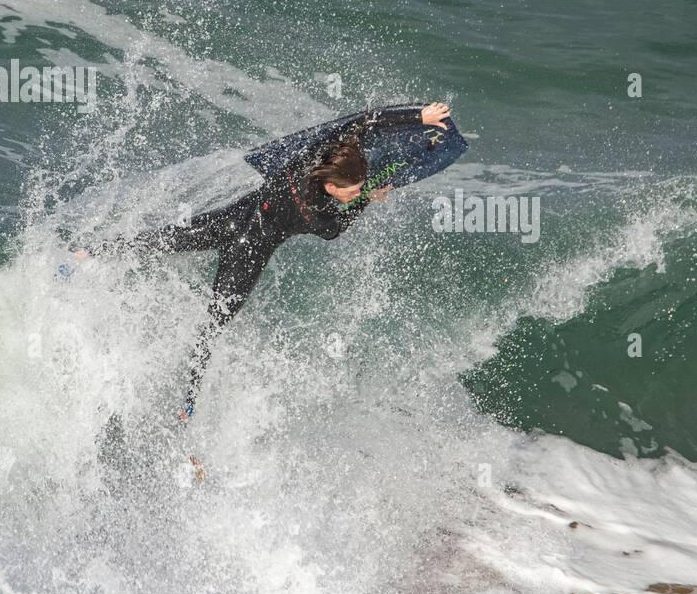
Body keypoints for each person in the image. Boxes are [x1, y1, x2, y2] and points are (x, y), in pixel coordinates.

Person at [76, 102, 459, 421]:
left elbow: (365, 121)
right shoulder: (316, 211)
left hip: (230, 217)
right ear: (331, 186)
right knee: (216, 320)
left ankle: (87, 253)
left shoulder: (314, 155)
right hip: (249, 247)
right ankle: (187, 401)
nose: (357, 191)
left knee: (164, 240)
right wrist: (365, 202)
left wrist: (418, 116)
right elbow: (333, 231)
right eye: (353, 188)